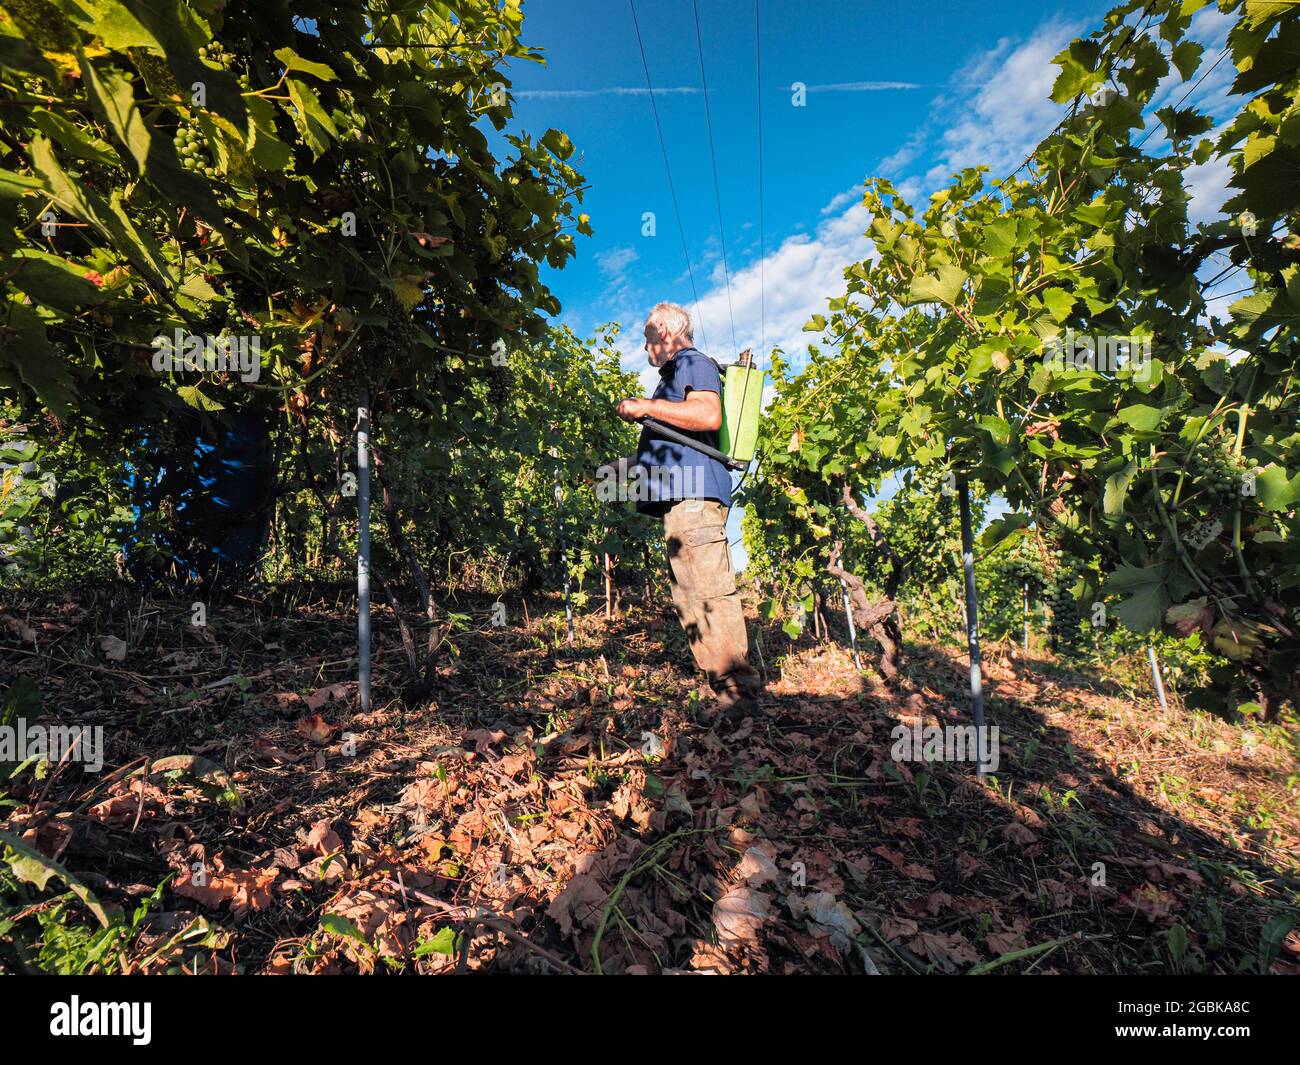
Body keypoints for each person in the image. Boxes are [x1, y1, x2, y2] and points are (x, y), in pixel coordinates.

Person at [613, 302, 762, 722]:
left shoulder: (690, 362)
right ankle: (726, 694)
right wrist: (615, 470)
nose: (645, 347)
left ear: (664, 331)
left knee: (709, 591)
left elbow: (708, 414)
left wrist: (644, 406)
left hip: (695, 498)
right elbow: (667, 448)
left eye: (647, 337)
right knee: (690, 596)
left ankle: (739, 696)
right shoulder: (671, 382)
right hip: (680, 501)